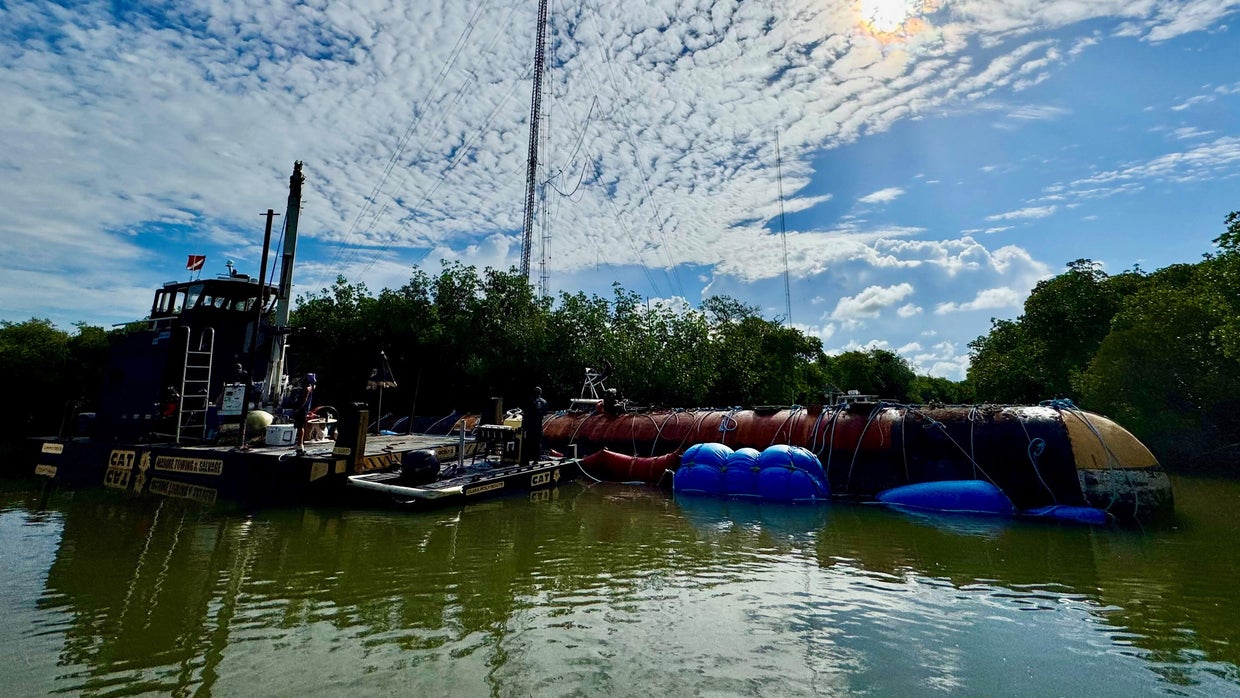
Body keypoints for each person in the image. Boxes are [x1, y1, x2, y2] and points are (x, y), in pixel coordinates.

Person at [520, 385, 548, 465]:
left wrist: (523, 425)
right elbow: (545, 413)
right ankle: (536, 460)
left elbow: (527, 414)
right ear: (540, 393)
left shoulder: (531, 401)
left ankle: (526, 460)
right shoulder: (544, 402)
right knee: (537, 443)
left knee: (528, 443)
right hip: (538, 426)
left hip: (530, 426)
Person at [293, 372, 317, 453]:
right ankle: (300, 444)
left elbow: (304, 400)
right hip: (305, 409)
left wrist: (298, 409)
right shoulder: (311, 387)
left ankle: (300, 444)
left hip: (302, 409)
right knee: (300, 426)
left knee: (300, 426)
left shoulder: (306, 388)